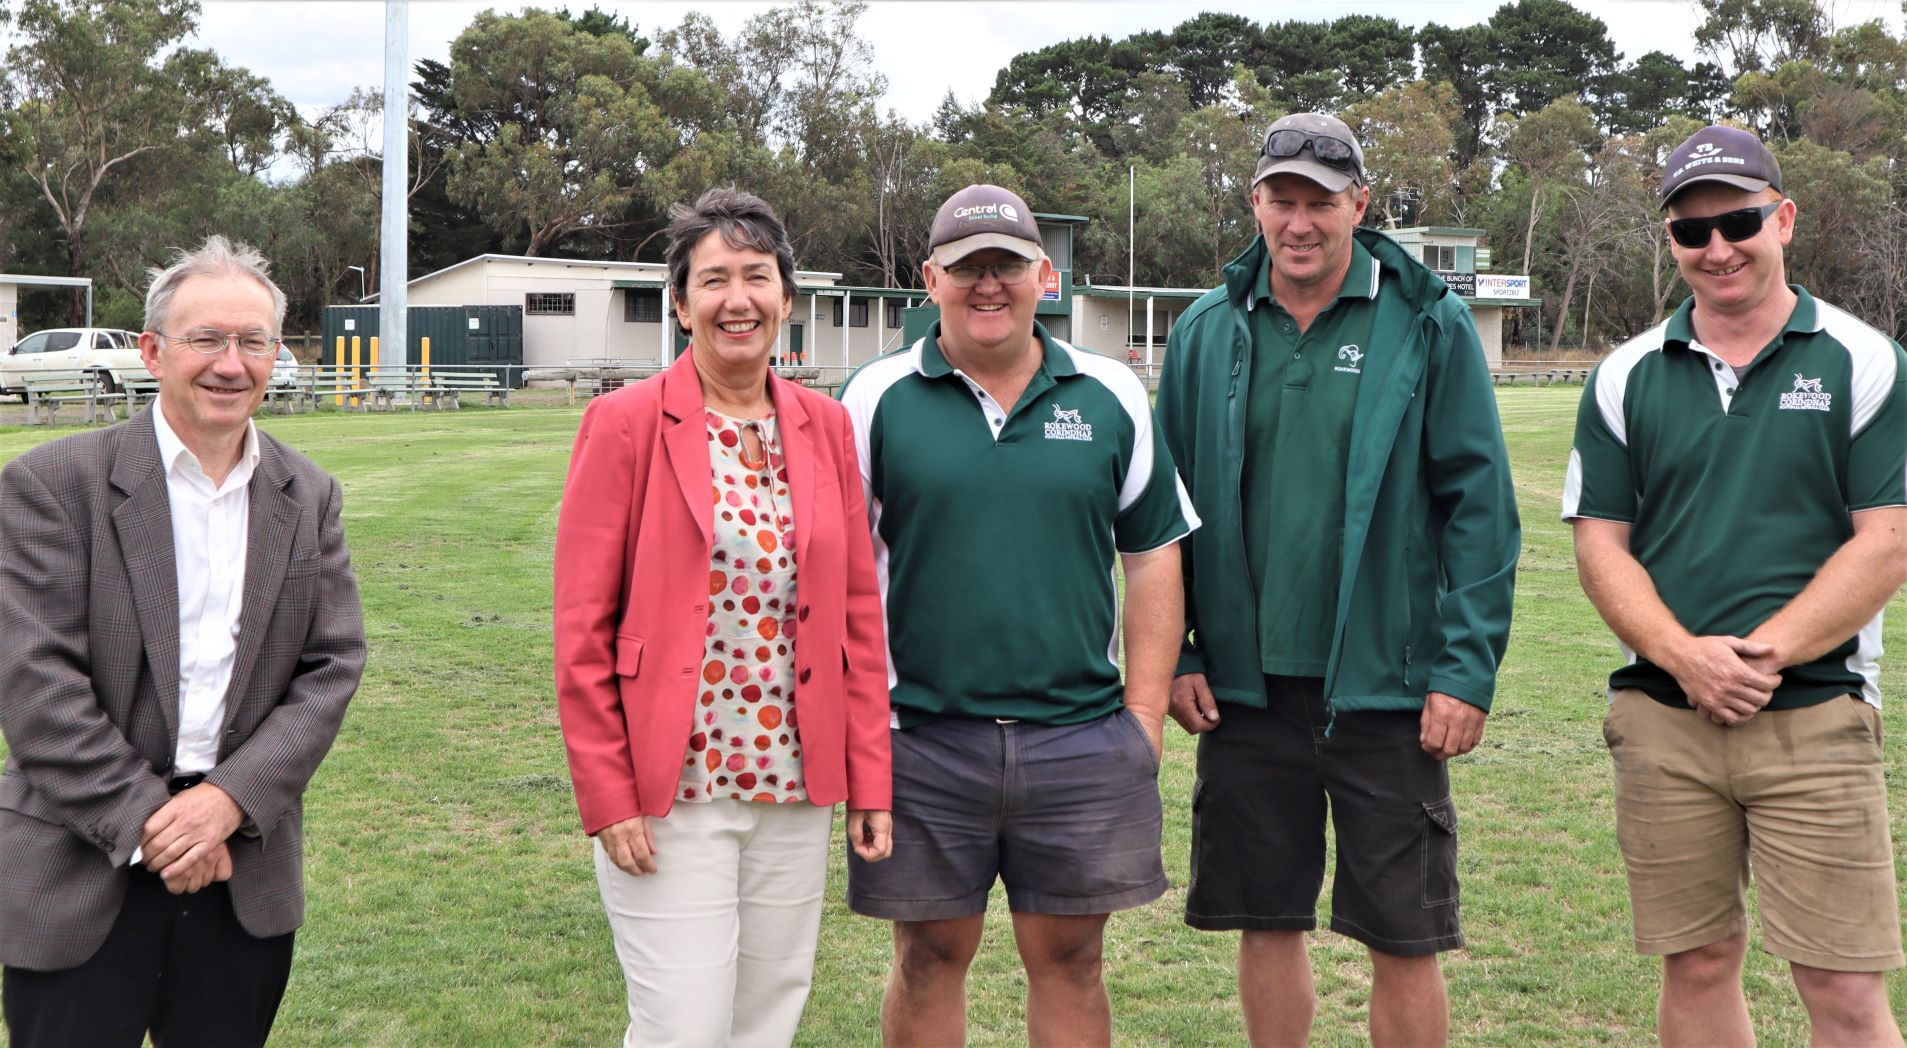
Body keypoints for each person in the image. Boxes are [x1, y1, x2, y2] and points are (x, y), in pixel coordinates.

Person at [1154, 112, 1520, 1047]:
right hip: (1244, 690)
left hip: (1389, 689)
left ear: (1359, 203)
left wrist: (1462, 671)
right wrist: (1185, 649)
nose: (1300, 221)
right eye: (1283, 199)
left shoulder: (1427, 321)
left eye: (1321, 200)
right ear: (1256, 202)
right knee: (1265, 919)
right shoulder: (1205, 329)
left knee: (1403, 933)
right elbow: (1163, 515)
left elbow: (1479, 508)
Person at [1565, 124, 1907, 1047]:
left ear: (1782, 218)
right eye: (1690, 230)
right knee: (1698, 963)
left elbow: (1885, 542)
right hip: (1664, 715)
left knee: (1839, 985)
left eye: (1738, 220)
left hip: (1816, 710)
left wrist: (1757, 658)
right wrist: (1683, 658)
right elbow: (1599, 544)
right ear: (1671, 243)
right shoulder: (1624, 373)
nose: (1717, 247)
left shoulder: (1862, 359)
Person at [839, 184, 1198, 1046]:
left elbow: (1151, 556)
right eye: (966, 269)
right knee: (928, 956)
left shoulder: (1110, 392)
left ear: (1046, 275)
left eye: (1007, 266)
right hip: (920, 737)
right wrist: (861, 734)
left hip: (1077, 735)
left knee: (1072, 959)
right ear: (931, 279)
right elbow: (838, 575)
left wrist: (1143, 714)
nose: (987, 286)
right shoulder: (872, 395)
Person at [0, 235, 367, 1047]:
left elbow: (331, 665)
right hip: (79, 865)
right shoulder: (53, 485)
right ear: (153, 351)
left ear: (277, 353)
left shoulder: (307, 495)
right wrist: (153, 824)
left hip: (243, 869)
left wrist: (226, 802)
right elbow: (35, 684)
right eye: (206, 339)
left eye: (253, 341)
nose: (230, 364)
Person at [553, 186, 892, 1047]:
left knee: (764, 1020)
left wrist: (868, 775)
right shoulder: (623, 423)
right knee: (682, 1026)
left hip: (792, 781)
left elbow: (856, 612)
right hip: (670, 791)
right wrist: (606, 794)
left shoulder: (824, 428)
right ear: (679, 304)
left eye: (755, 277)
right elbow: (582, 628)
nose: (736, 300)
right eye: (712, 280)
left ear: (786, 296)